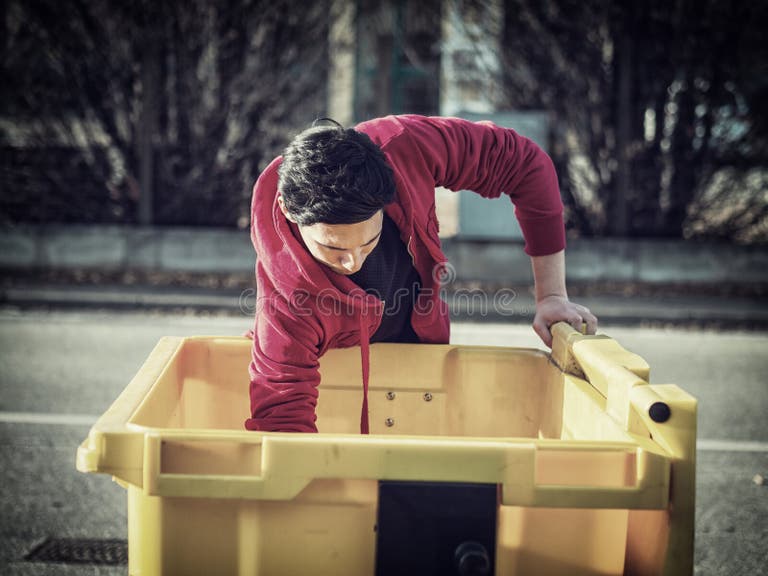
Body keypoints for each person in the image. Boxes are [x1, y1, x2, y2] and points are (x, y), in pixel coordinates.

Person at [245, 114, 597, 433]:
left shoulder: (404, 146)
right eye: (334, 251)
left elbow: (524, 163)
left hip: (423, 367)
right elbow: (282, 425)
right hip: (340, 404)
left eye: (368, 242)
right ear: (289, 211)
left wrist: (551, 295)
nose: (354, 263)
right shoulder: (286, 306)